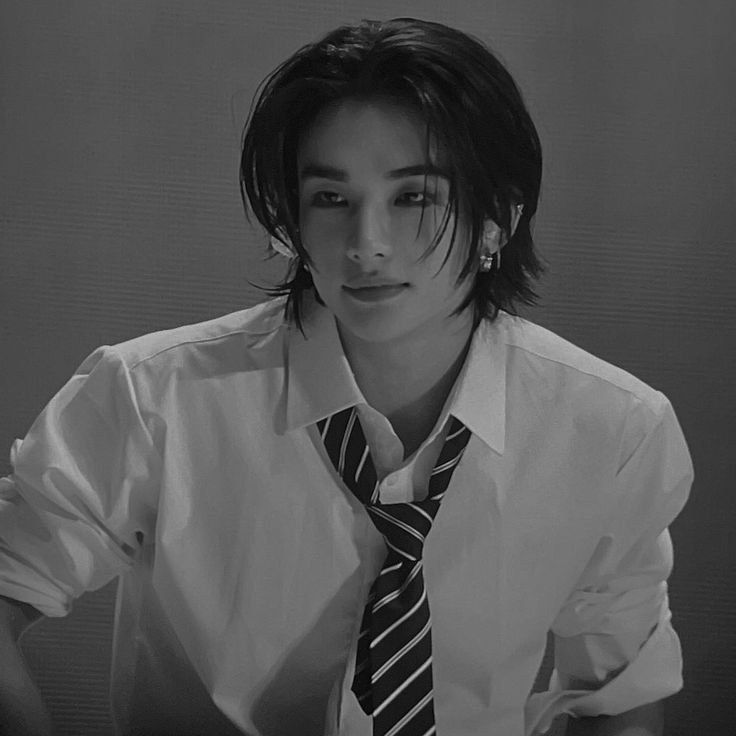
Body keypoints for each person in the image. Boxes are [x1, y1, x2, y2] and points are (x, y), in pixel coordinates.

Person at [0, 16, 693, 736]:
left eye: (414, 197)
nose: (366, 245)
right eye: (331, 199)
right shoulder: (153, 396)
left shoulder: (611, 429)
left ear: (497, 220)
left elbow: (617, 699)